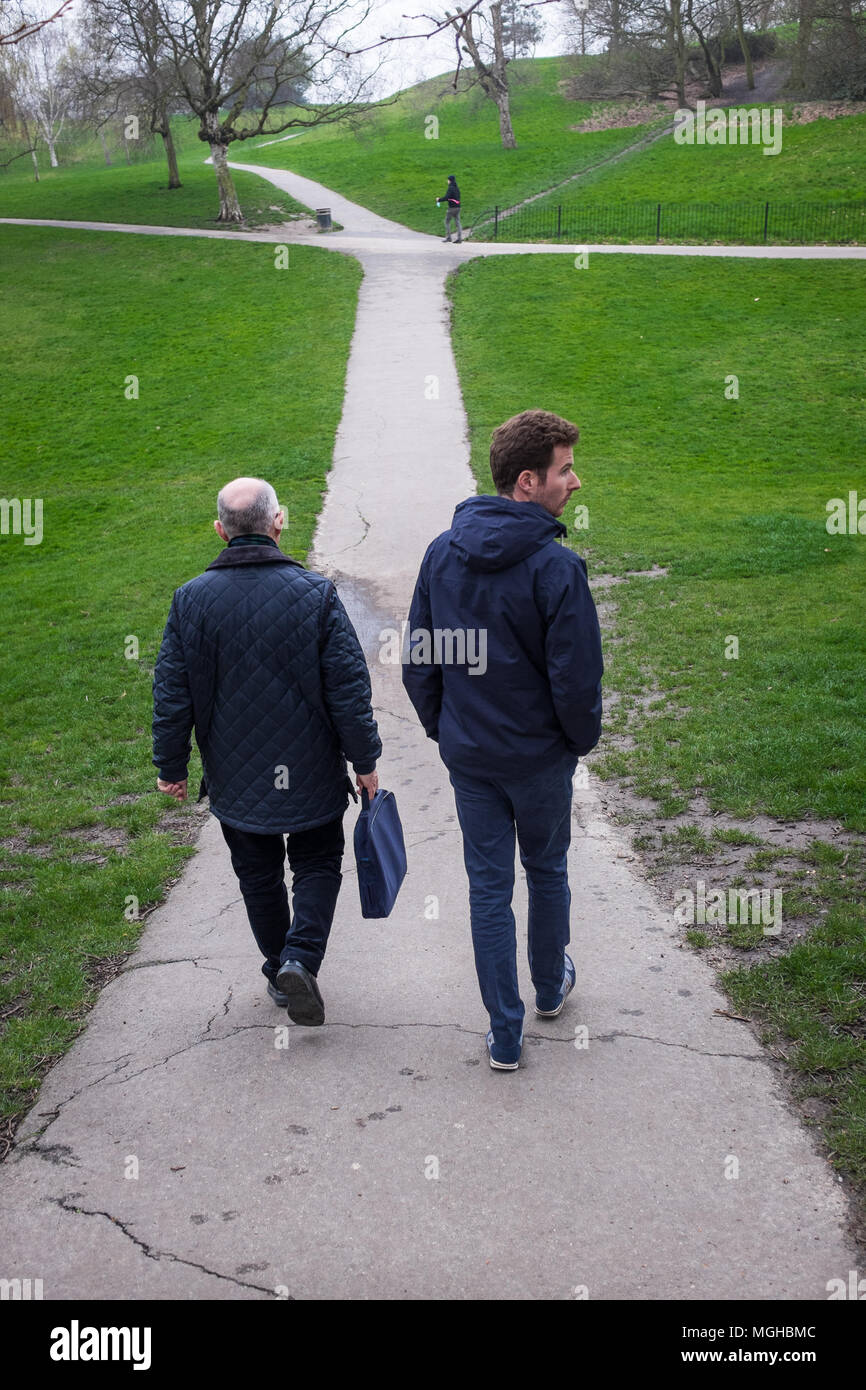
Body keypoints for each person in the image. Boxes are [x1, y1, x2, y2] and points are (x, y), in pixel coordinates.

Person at [401, 410, 603, 1070]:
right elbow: (577, 680)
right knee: (545, 870)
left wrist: (446, 730)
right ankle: (549, 987)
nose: (575, 481)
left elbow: (419, 661)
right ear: (527, 481)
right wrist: (576, 743)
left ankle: (505, 1033)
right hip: (539, 759)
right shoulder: (556, 569)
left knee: (488, 888)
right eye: (565, 469)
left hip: (473, 758)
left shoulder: (441, 552)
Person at [152, 477, 381, 1027]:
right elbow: (348, 690)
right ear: (279, 522)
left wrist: (171, 765)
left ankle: (280, 965)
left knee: (256, 875)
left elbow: (171, 690)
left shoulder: (189, 601)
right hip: (309, 768)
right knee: (318, 862)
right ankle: (300, 958)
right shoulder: (316, 594)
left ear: (219, 530)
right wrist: (365, 761)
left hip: (236, 773)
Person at [436, 175, 463, 242]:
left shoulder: (450, 188)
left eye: (448, 180)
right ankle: (459, 239)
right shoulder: (457, 188)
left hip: (452, 208)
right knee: (458, 223)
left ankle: (449, 237)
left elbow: (447, 197)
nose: (447, 181)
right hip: (458, 207)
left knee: (447, 222)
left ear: (450, 180)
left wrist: (439, 200)